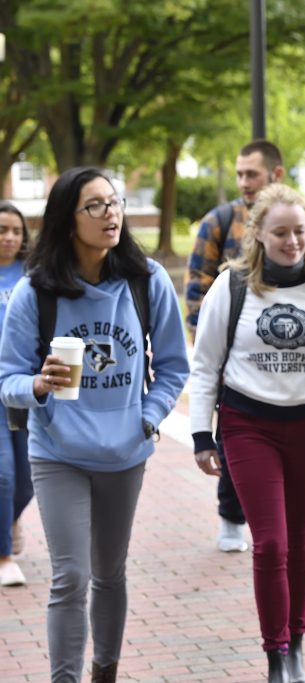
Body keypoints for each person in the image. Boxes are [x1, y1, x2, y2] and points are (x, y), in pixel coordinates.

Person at [0, 167, 190, 682]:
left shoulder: (146, 281)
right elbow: (7, 378)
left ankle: (104, 672)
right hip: (58, 452)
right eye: (95, 206)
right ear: (68, 221)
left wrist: (147, 418)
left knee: (109, 574)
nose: (111, 214)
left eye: (115, 202)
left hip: (125, 452)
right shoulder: (35, 293)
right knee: (71, 577)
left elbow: (174, 366)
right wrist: (38, 385)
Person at [188, 183, 305, 683]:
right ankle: (275, 656)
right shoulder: (233, 285)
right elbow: (206, 366)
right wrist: (202, 434)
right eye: (280, 232)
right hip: (248, 426)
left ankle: (297, 648)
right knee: (269, 544)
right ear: (258, 234)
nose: (291, 241)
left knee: (301, 542)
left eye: (299, 231)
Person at [186, 139, 305, 572]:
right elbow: (197, 284)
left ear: (275, 174)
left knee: (300, 467)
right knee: (236, 446)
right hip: (234, 357)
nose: (242, 182)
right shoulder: (217, 222)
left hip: (296, 366)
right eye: (238, 174)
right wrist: (212, 350)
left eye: (250, 173)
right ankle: (231, 515)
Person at [0, 200, 33, 588]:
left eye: (15, 231)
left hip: (26, 389)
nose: (9, 237)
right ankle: (4, 555)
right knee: (4, 475)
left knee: (28, 479)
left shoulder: (32, 275)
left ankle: (7, 520)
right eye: (2, 230)